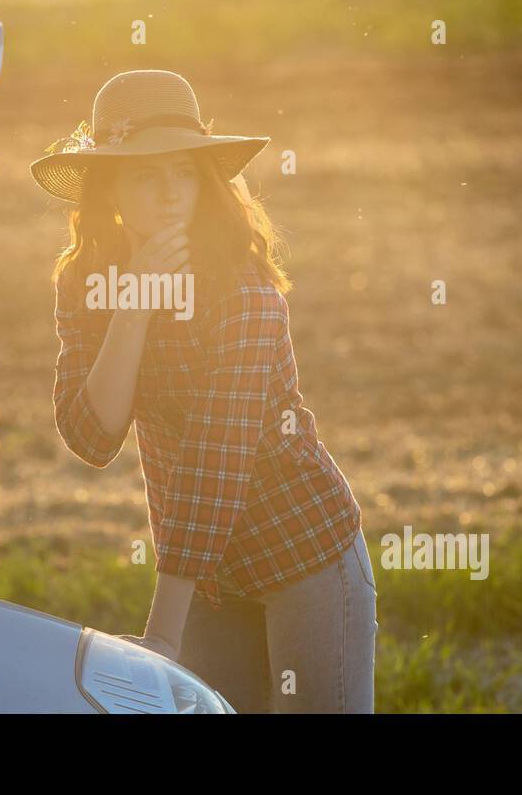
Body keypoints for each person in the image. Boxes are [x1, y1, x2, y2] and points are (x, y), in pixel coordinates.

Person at [29, 69, 377, 713]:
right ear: (109, 188)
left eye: (184, 173)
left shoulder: (243, 292)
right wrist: (134, 300)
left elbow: (215, 459)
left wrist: (162, 631)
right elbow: (90, 435)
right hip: (207, 575)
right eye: (145, 174)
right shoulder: (86, 281)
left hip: (302, 552)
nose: (169, 194)